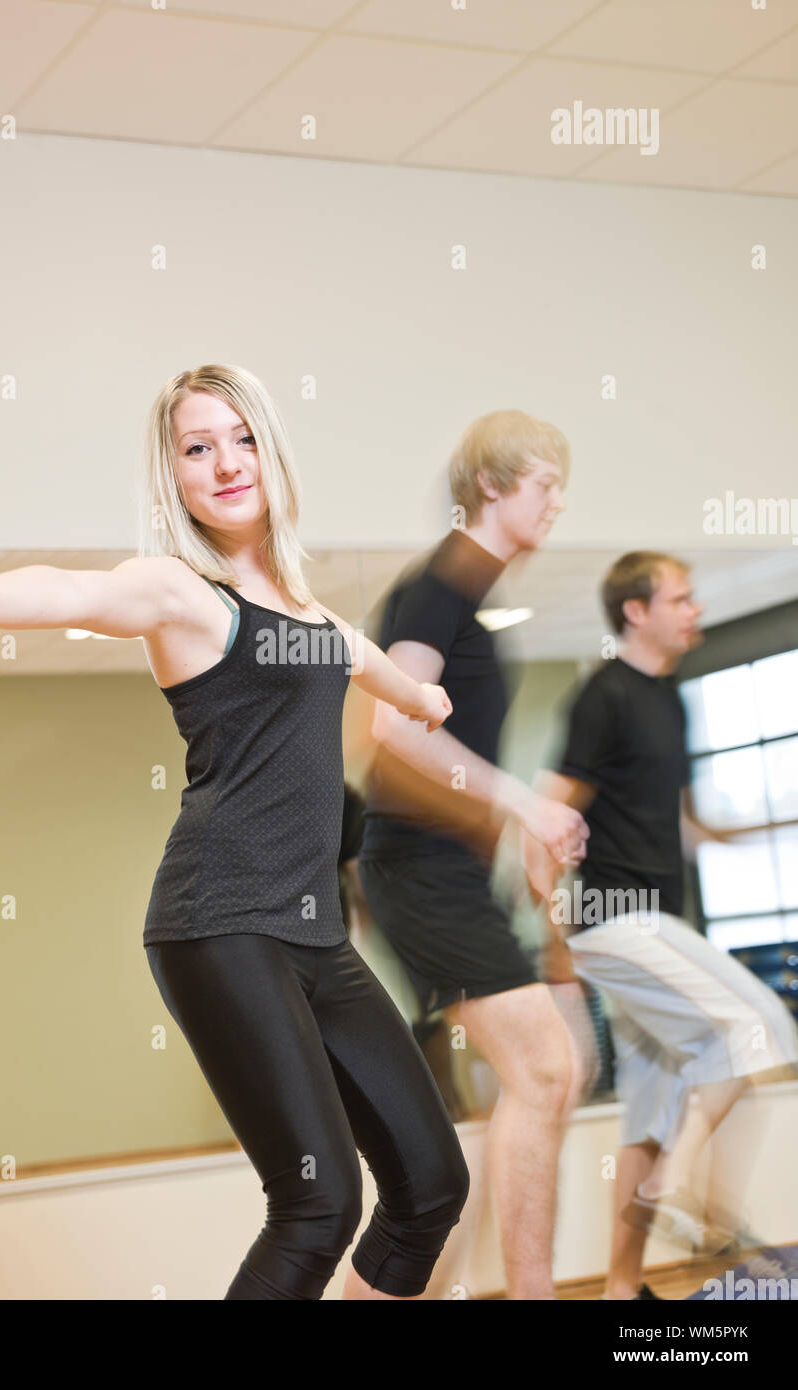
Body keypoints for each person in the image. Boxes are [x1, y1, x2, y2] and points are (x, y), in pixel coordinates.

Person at [0, 364, 582, 1301]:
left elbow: (351, 654)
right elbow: (69, 592)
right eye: (197, 448)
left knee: (430, 1183)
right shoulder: (179, 592)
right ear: (176, 479)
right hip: (219, 922)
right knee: (318, 1205)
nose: (226, 462)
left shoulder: (301, 606)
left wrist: (418, 695)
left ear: (271, 453)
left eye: (242, 438)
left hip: (315, 932)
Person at [356, 409, 591, 1300]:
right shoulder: (436, 591)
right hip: (415, 874)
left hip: (447, 876)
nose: (557, 503)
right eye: (544, 484)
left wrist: (520, 840)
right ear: (490, 487)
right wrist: (525, 803)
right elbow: (392, 727)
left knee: (531, 1094)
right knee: (545, 1070)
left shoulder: (473, 612)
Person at [524, 551, 798, 1301]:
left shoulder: (668, 698)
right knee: (759, 1022)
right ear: (636, 612)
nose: (695, 611)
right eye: (680, 599)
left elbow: (673, 826)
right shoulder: (602, 695)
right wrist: (555, 946)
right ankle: (684, 1192)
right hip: (612, 920)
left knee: (650, 1115)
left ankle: (619, 1289)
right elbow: (544, 817)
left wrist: (762, 827)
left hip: (649, 920)